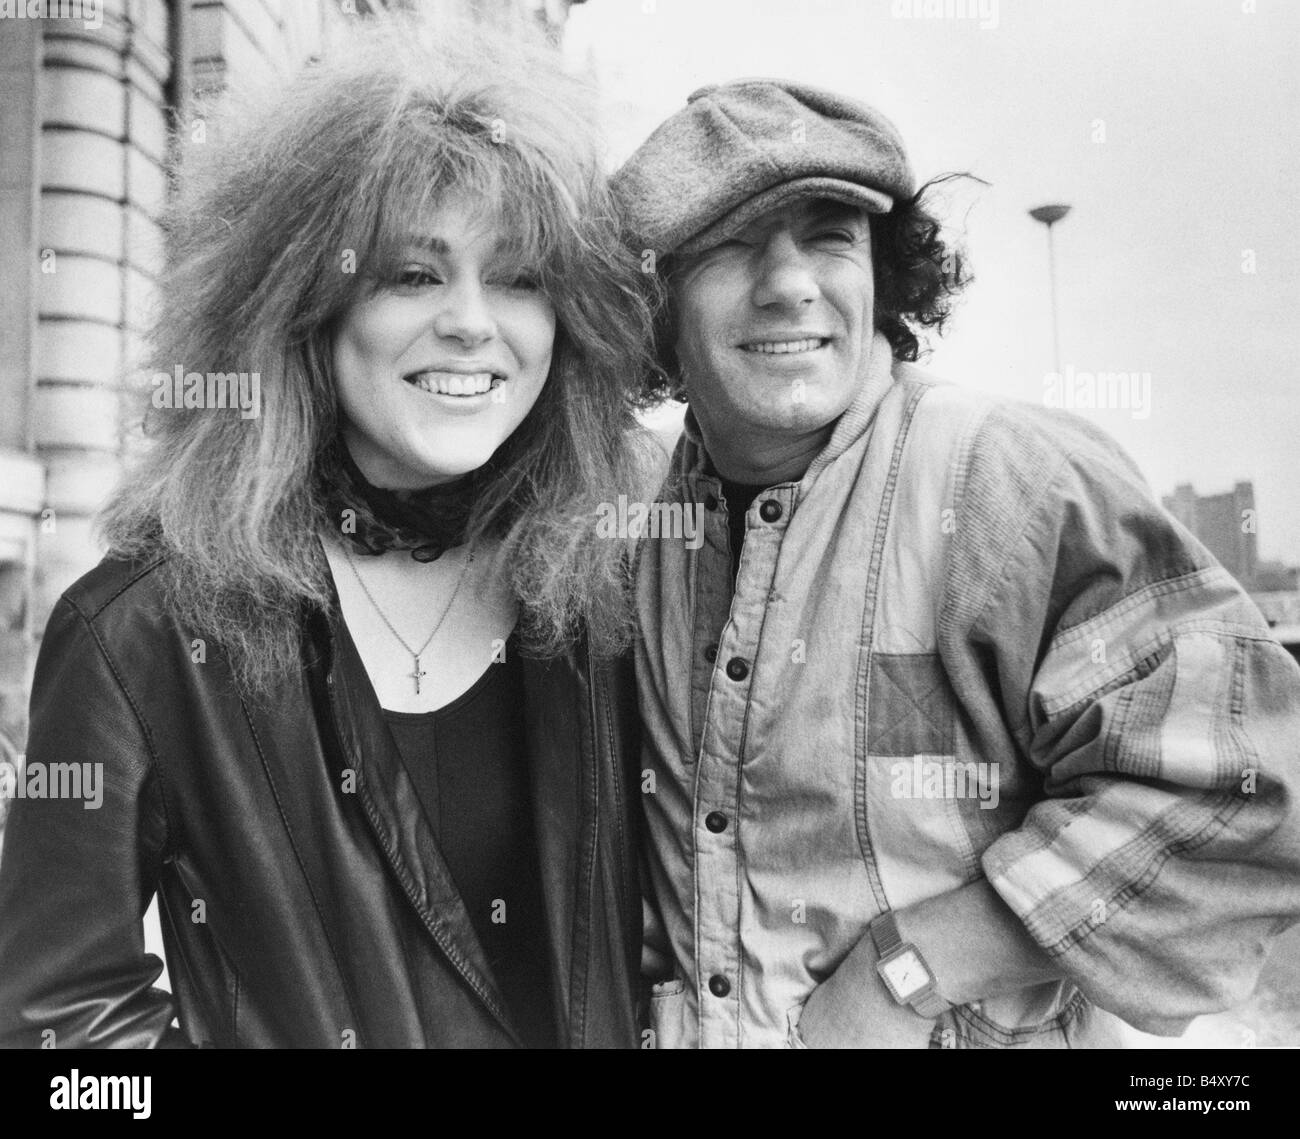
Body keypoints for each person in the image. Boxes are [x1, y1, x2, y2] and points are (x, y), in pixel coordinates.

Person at [0, 17, 659, 1049]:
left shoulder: (620, 584)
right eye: (413, 274)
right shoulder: (142, 631)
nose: (472, 321)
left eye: (520, 277)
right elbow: (55, 1028)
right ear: (301, 305)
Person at [613, 78, 1300, 1048]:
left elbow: (1250, 787)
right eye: (730, 245)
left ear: (884, 275)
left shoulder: (1008, 483)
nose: (788, 283)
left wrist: (911, 967)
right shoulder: (623, 530)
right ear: (657, 301)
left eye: (829, 237)